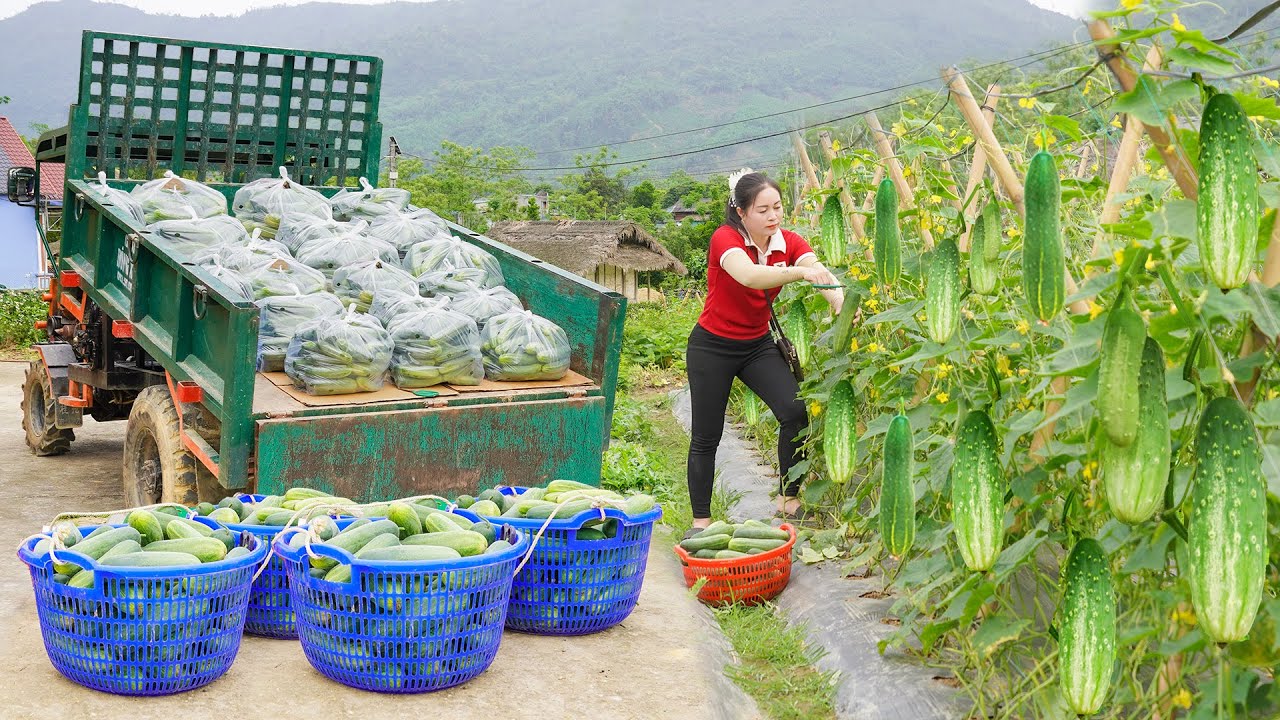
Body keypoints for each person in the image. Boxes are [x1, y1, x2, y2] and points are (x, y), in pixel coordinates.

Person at [684, 169, 845, 535]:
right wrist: (798, 274)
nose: (773, 217)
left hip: (756, 346)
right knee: (707, 435)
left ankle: (789, 500)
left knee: (795, 410)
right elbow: (751, 276)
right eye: (763, 210)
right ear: (741, 212)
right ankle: (701, 523)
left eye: (777, 208)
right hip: (712, 347)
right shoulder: (725, 239)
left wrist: (839, 300)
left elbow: (815, 269)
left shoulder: (787, 241)